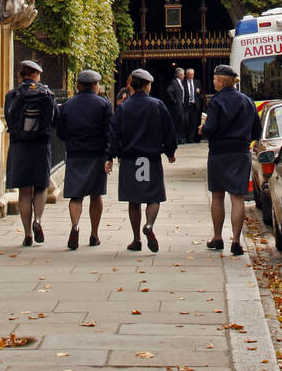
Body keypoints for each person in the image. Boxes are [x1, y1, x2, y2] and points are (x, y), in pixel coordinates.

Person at [105, 69, 177, 251]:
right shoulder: (157, 105)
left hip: (130, 159)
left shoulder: (123, 108)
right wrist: (170, 152)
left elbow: (114, 134)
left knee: (133, 199)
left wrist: (111, 156)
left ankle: (136, 239)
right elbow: (168, 130)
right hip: (151, 158)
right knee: (154, 196)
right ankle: (150, 225)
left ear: (132, 86)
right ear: (147, 85)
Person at [200, 63, 262, 256]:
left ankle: (217, 237)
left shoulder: (216, 102)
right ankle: (236, 240)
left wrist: (203, 129)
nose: (213, 82)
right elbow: (257, 131)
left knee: (217, 195)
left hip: (219, 153)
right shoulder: (247, 101)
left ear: (220, 82)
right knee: (237, 198)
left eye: (214, 79)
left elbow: (210, 129)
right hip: (240, 152)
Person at [57, 70, 113, 250]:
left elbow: (60, 132)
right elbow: (109, 132)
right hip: (96, 154)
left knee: (76, 195)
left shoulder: (67, 105)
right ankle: (94, 234)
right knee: (96, 194)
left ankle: (75, 225)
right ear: (96, 85)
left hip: (75, 154)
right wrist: (109, 154)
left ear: (79, 86)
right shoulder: (103, 104)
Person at [4, 59, 57, 247]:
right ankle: (38, 220)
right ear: (35, 74)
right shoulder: (46, 94)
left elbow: (8, 118)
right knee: (41, 186)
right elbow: (55, 119)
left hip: (19, 146)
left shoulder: (12, 95)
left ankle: (27, 233)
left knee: (24, 191)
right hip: (41, 146)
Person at [165, 67, 187, 142]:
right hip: (177, 107)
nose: (184, 76)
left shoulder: (180, 83)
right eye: (183, 74)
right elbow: (169, 91)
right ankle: (175, 139)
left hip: (181, 106)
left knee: (180, 124)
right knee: (176, 123)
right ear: (180, 75)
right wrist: (174, 100)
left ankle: (180, 138)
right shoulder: (174, 82)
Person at [183, 67, 203, 143]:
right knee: (186, 122)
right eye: (190, 74)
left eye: (192, 74)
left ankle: (191, 139)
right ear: (186, 75)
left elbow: (201, 94)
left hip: (195, 106)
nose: (191, 76)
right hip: (187, 105)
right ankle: (186, 138)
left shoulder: (197, 82)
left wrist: (199, 100)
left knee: (193, 123)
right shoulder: (183, 83)